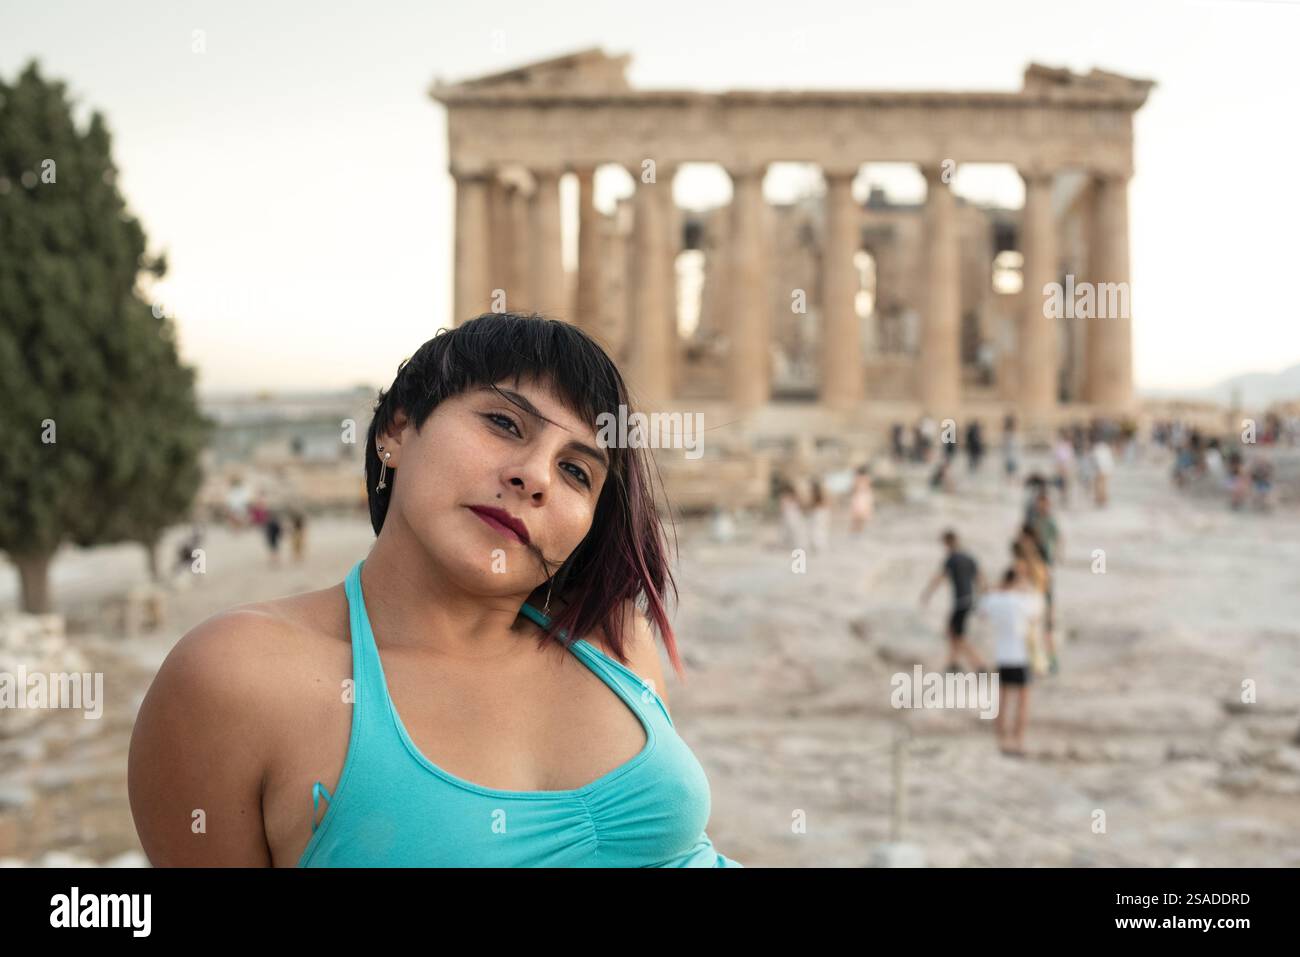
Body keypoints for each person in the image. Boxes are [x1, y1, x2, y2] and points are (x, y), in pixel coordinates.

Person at [129, 312, 743, 868]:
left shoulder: (613, 636)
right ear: (396, 429)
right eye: (504, 423)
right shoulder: (237, 677)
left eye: (576, 471)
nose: (534, 477)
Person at [975, 565, 1045, 756]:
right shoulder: (1023, 601)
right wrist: (1025, 588)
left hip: (1002, 656)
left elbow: (981, 612)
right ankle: (1018, 740)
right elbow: (1037, 613)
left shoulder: (994, 600)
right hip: (1020, 656)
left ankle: (1001, 739)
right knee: (1022, 702)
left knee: (1003, 700)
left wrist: (996, 589)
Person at [920, 529, 988, 674]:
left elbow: (939, 577)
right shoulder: (969, 557)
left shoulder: (952, 559)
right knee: (952, 631)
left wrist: (927, 594)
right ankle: (953, 663)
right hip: (969, 599)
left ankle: (979, 665)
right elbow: (981, 578)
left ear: (947, 542)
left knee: (957, 635)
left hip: (960, 601)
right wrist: (983, 599)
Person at [849, 466, 875, 534]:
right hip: (864, 496)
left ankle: (857, 530)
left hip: (860, 497)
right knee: (861, 515)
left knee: (858, 516)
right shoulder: (867, 478)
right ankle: (859, 530)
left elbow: (854, 488)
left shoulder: (858, 478)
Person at [808, 479, 831, 554]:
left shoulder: (817, 495)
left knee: (817, 531)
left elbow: (814, 506)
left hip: (818, 515)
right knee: (818, 531)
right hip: (820, 515)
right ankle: (818, 546)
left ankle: (818, 546)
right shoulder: (819, 495)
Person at [1090, 438, 1115, 507]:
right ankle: (1101, 500)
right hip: (1103, 470)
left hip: (1101, 470)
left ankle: (1101, 500)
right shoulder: (1104, 449)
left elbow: (1095, 460)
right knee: (1102, 486)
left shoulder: (1098, 449)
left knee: (1101, 486)